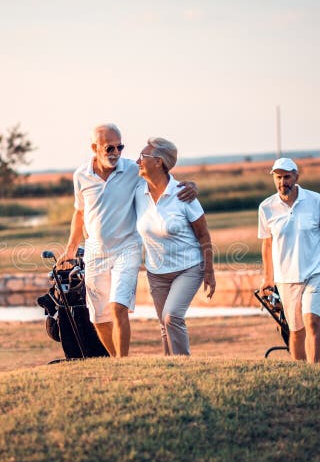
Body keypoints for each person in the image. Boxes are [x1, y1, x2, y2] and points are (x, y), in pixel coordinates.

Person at [59, 124, 197, 358]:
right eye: (109, 147)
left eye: (120, 147)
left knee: (118, 307)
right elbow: (79, 213)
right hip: (95, 251)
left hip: (127, 248)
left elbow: (161, 180)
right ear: (95, 148)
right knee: (99, 318)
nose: (116, 152)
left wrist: (192, 186)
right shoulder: (80, 176)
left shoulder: (132, 170)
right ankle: (117, 361)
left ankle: (123, 362)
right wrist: (71, 247)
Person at [134, 137, 215, 356]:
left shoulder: (183, 194)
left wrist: (209, 271)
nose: (137, 161)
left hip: (189, 268)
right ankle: (170, 369)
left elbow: (204, 235)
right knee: (164, 324)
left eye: (142, 156)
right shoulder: (137, 191)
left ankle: (183, 365)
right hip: (156, 272)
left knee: (171, 316)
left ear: (158, 162)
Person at [258, 157, 320, 363]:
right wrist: (267, 278)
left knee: (312, 321)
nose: (282, 182)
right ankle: (301, 372)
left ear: (296, 176)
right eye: (278, 177)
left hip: (315, 272)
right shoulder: (266, 207)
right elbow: (267, 245)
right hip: (285, 278)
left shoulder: (315, 200)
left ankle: (315, 371)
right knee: (295, 331)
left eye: (287, 177)